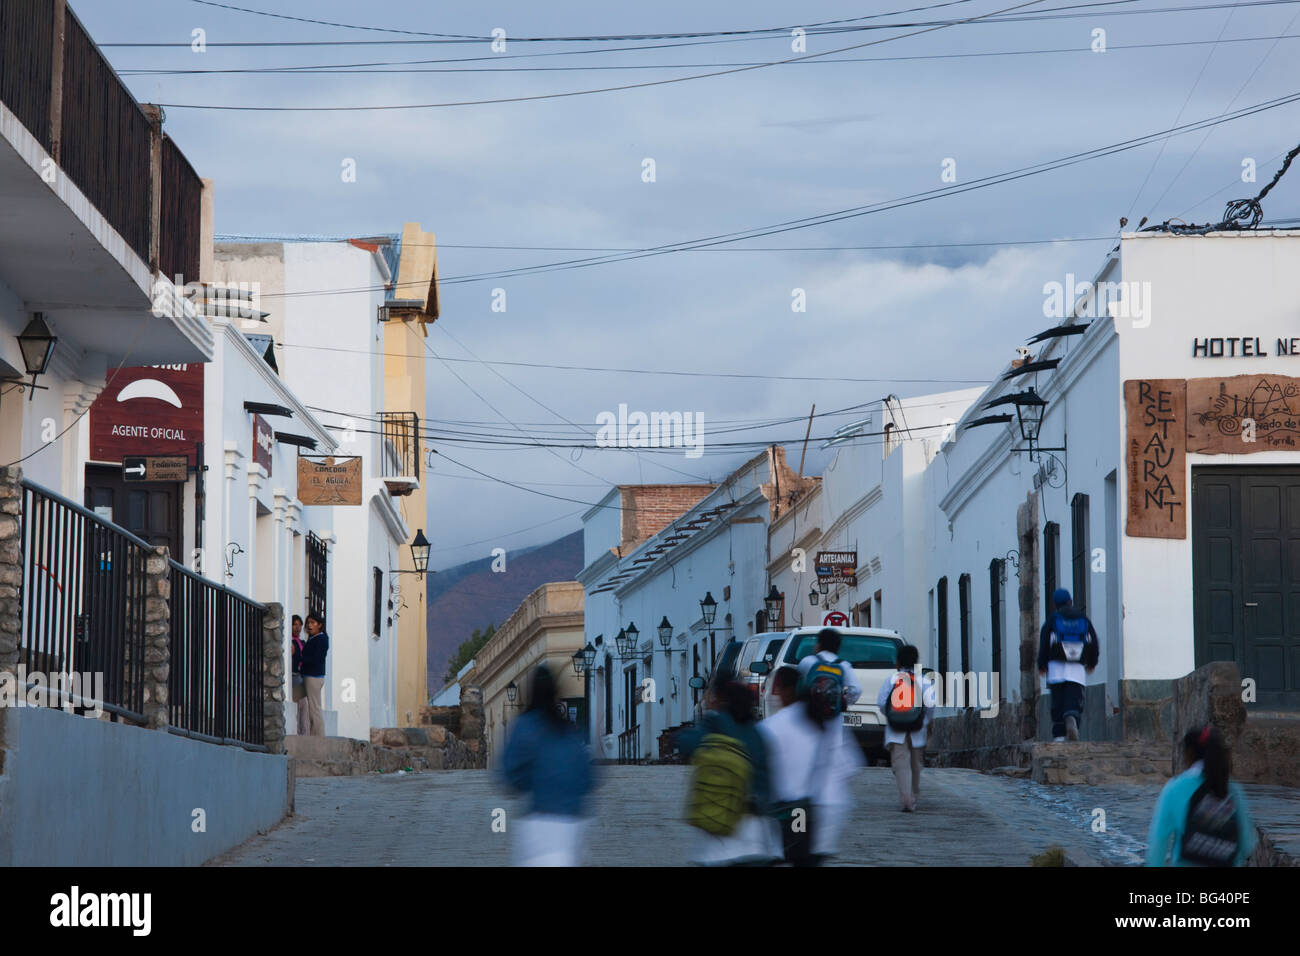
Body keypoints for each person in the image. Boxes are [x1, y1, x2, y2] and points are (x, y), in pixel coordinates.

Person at [759, 664, 863, 866]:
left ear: (782, 689)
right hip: (826, 814)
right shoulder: (829, 723)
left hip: (794, 815)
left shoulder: (774, 726)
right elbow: (851, 766)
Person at [501, 664, 597, 866]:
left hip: (539, 825)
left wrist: (530, 781)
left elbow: (510, 773)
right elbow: (588, 778)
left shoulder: (525, 726)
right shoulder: (569, 731)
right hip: (573, 825)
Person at [677, 679, 779, 866]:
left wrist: (682, 734)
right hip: (757, 836)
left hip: (721, 833)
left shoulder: (715, 723)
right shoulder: (759, 734)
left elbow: (688, 744)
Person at [1146, 725, 1257, 866]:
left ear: (1190, 753)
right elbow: (1247, 843)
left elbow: (1159, 840)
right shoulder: (1232, 790)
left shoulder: (1175, 788)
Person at [876, 645, 936, 812]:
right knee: (916, 765)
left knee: (901, 765)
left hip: (896, 731)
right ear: (916, 661)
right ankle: (914, 796)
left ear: (898, 661)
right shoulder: (923, 680)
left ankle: (906, 799)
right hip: (917, 729)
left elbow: (881, 703)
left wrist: (894, 716)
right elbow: (931, 705)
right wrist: (924, 721)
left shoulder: (891, 680)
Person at [1037, 588, 1099, 741]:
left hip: (1056, 667)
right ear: (1070, 601)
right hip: (1076, 668)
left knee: (1058, 702)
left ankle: (1059, 737)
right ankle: (1072, 719)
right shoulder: (1083, 619)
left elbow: (1044, 642)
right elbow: (1094, 642)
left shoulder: (1052, 620)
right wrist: (1092, 662)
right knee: (1073, 701)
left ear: (1055, 604)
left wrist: (1042, 664)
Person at [795, 628, 863, 708]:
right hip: (833, 716)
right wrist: (842, 702)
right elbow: (856, 690)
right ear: (837, 647)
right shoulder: (844, 665)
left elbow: (796, 686)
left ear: (819, 645)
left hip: (808, 713)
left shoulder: (807, 661)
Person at [300, 611, 329, 737]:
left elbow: (316, 659)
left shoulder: (321, 639)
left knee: (314, 708)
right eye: (308, 623)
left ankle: (319, 737)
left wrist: (301, 660)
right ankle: (313, 734)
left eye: (312, 623)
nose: (309, 625)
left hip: (313, 677)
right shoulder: (314, 638)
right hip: (309, 676)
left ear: (320, 625)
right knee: (310, 705)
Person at [289, 615, 309, 735]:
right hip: (294, 676)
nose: (297, 628)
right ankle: (300, 731)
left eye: (299, 625)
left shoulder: (301, 642)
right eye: (294, 624)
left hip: (301, 676)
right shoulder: (289, 642)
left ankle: (303, 732)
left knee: (303, 706)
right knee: (301, 704)